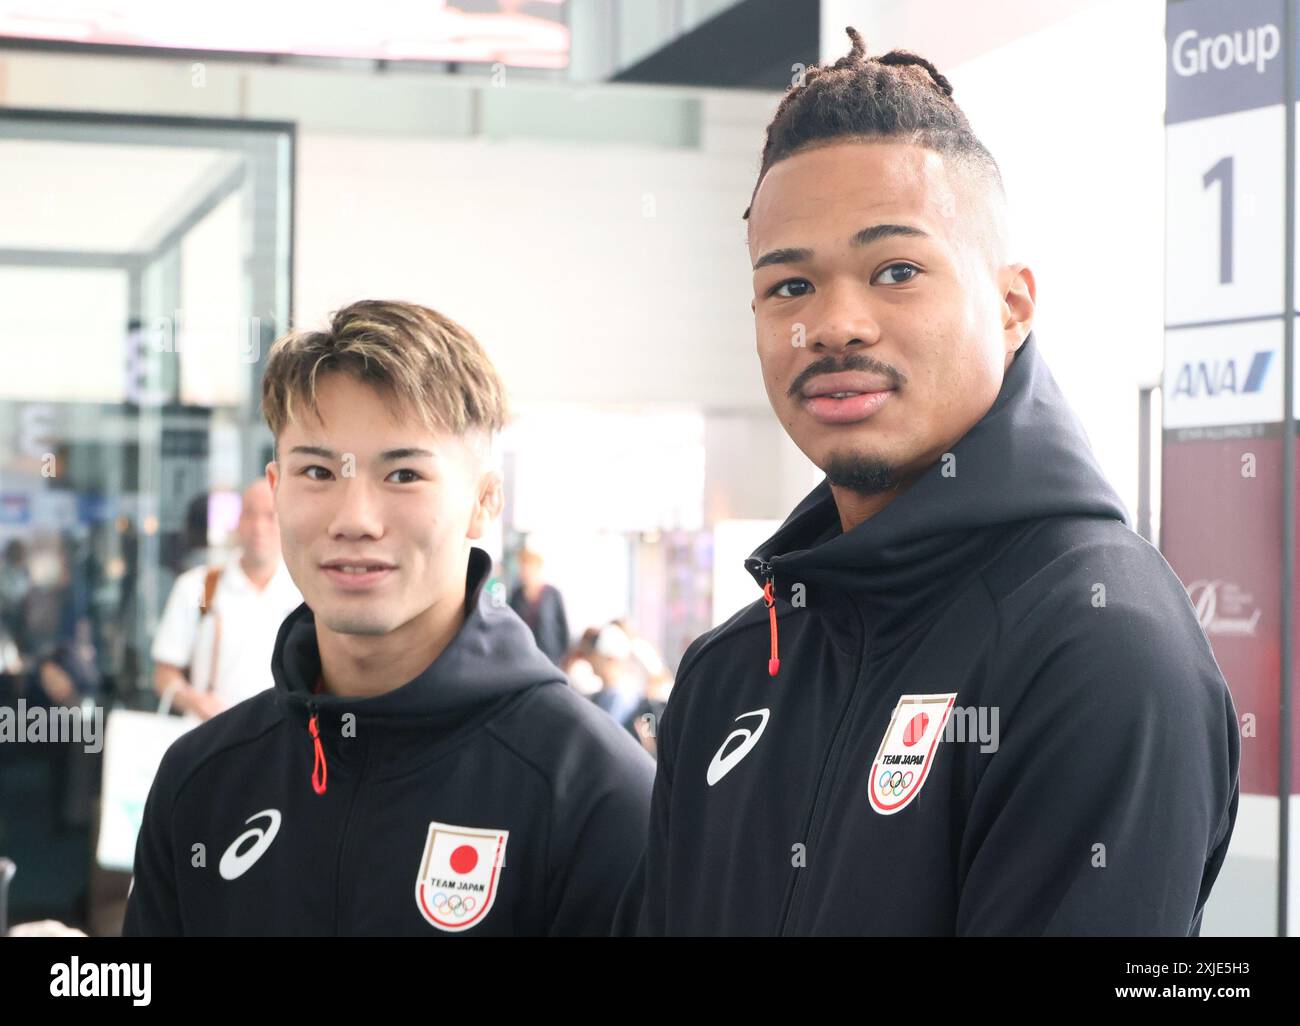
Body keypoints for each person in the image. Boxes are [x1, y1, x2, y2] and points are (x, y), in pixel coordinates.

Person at [615, 29, 1239, 936]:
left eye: (896, 271)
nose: (835, 325)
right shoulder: (730, 671)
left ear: (1013, 303)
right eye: (789, 287)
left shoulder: (1097, 639)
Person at [123, 299, 654, 936]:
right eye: (317, 471)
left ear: (484, 502)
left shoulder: (594, 793)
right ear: (276, 486)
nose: (355, 519)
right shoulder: (203, 780)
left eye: (403, 474)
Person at [150, 480, 302, 720]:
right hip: (213, 740)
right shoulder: (199, 588)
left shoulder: (303, 593)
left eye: (270, 516)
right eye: (249, 514)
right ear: (237, 521)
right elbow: (164, 674)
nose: (258, 527)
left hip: (285, 744)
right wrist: (194, 701)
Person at [508, 546, 570, 666]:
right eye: (522, 567)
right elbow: (512, 623)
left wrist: (564, 656)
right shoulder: (517, 595)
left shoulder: (552, 594)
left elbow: (563, 626)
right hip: (524, 654)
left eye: (527, 567)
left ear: (536, 568)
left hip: (550, 655)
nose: (524, 571)